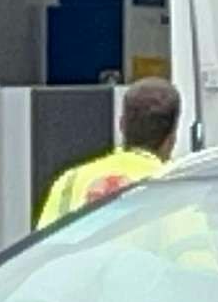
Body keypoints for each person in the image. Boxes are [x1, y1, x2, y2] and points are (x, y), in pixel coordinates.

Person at [35, 77, 183, 228]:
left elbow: (42, 247)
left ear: (122, 125)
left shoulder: (69, 181)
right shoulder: (174, 187)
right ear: (171, 137)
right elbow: (192, 248)